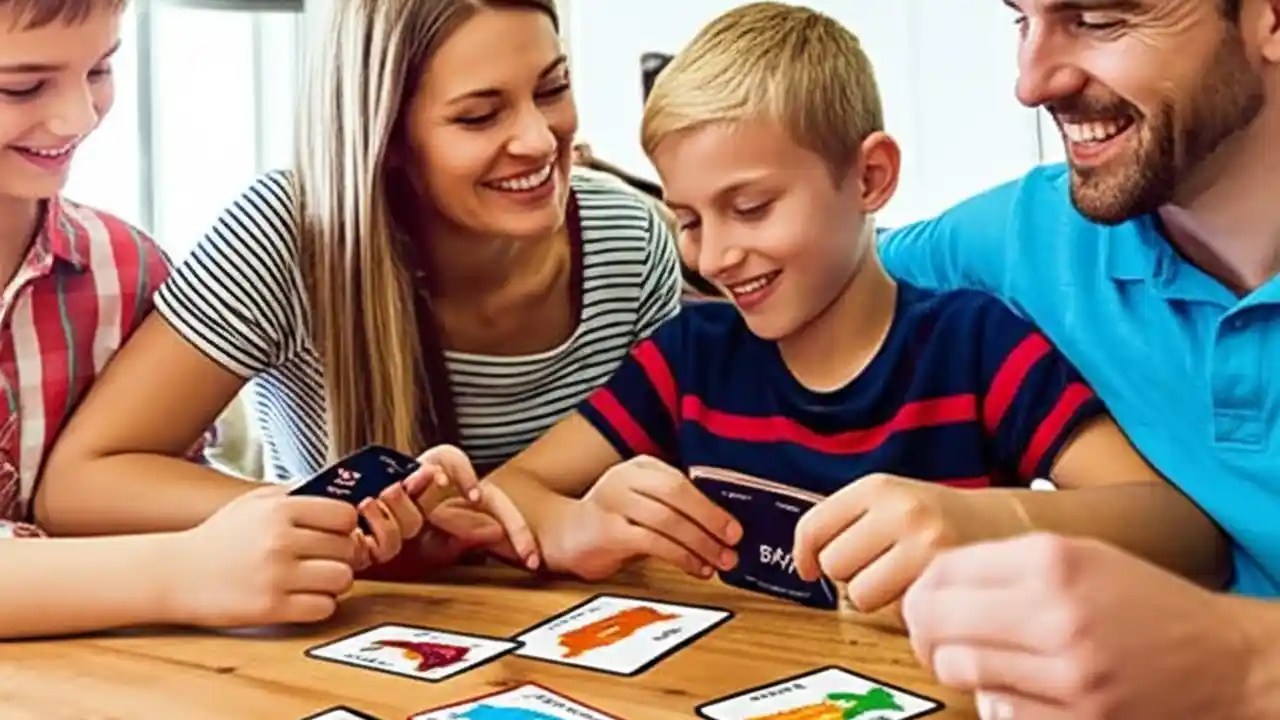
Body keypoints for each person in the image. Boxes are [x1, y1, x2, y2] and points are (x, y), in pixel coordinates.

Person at [452, 2, 1227, 614]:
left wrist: (983, 526)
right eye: (688, 220)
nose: (716, 256)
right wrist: (577, 523)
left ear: (870, 178)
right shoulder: (690, 357)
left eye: (750, 208)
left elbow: (1184, 536)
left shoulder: (974, 347)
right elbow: (512, 489)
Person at [35, 0, 680, 579]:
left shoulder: (631, 239)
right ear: (388, 137)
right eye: (480, 116)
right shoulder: (291, 235)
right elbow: (80, 484)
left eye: (552, 89)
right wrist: (336, 516)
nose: (540, 139)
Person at [879, 0, 1280, 716]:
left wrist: (1243, 661)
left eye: (1099, 19)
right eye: (1020, 20)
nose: (1031, 84)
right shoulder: (1023, 235)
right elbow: (819, 281)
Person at [0, 0, 429, 640]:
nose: (79, 116)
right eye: (22, 86)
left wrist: (300, 524)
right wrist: (181, 572)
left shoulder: (129, 269)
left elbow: (145, 502)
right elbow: (181, 561)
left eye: (100, 70)